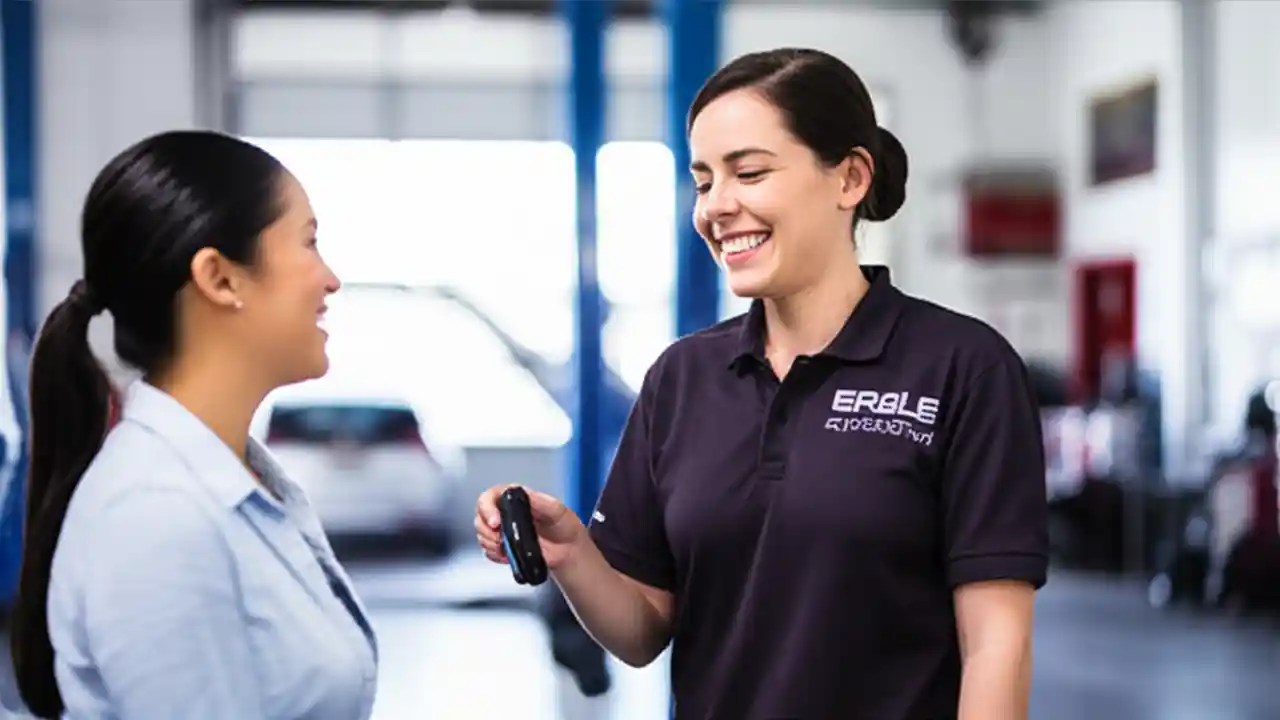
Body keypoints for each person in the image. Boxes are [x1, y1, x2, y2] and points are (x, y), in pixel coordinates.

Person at [477, 48, 1048, 719]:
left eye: (748, 172)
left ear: (850, 178)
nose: (717, 206)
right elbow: (641, 631)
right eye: (703, 181)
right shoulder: (682, 379)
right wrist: (573, 550)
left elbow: (996, 646)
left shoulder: (962, 368)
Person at [8, 130, 377, 719]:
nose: (329, 279)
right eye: (308, 244)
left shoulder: (241, 479)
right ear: (220, 278)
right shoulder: (155, 514)